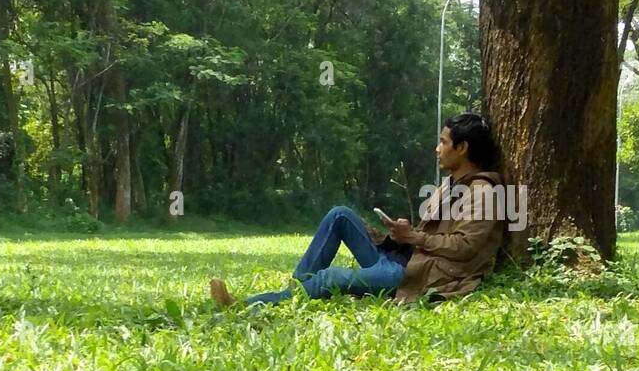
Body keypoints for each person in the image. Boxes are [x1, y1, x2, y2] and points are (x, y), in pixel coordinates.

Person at [209, 113, 506, 308]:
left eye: (443, 142)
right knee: (339, 215)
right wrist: (401, 234)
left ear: (463, 148)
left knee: (330, 278)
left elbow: (466, 247)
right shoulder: (450, 184)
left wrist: (414, 237)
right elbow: (429, 234)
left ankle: (249, 304)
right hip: (404, 258)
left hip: (416, 274)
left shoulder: (483, 192)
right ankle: (300, 290)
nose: (437, 149)